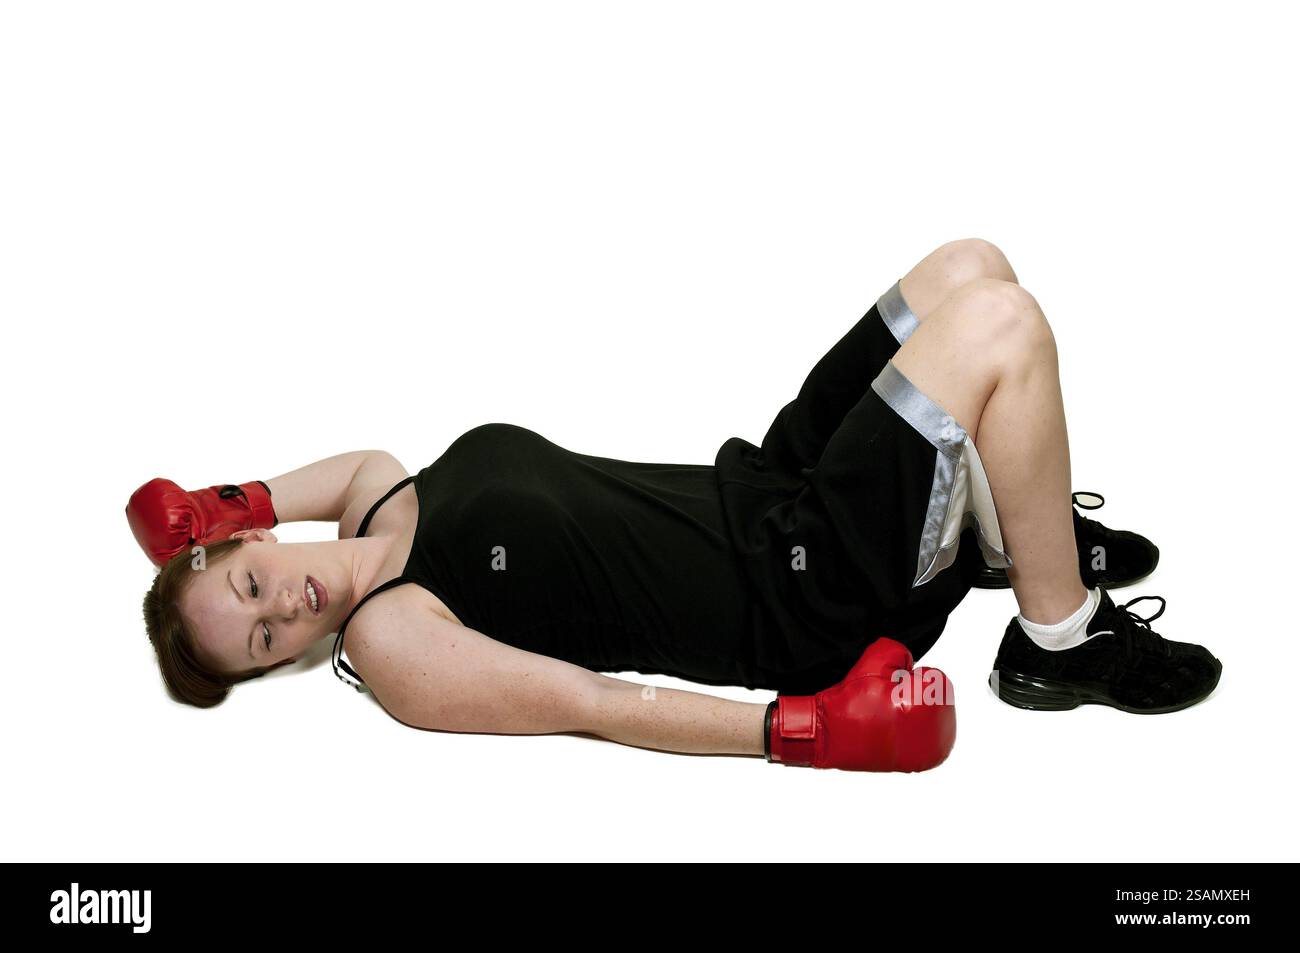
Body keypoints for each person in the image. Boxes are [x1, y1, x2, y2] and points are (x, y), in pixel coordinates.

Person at [128, 238, 1221, 772]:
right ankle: (1057, 636)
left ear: (248, 542)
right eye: (265, 640)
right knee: (998, 325)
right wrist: (795, 730)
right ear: (282, 664)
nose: (285, 607)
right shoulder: (396, 641)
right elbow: (593, 702)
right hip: (804, 590)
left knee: (963, 266)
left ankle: (1010, 532)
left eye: (251, 582)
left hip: (766, 486)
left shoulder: (375, 502)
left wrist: (226, 497)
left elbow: (338, 467)